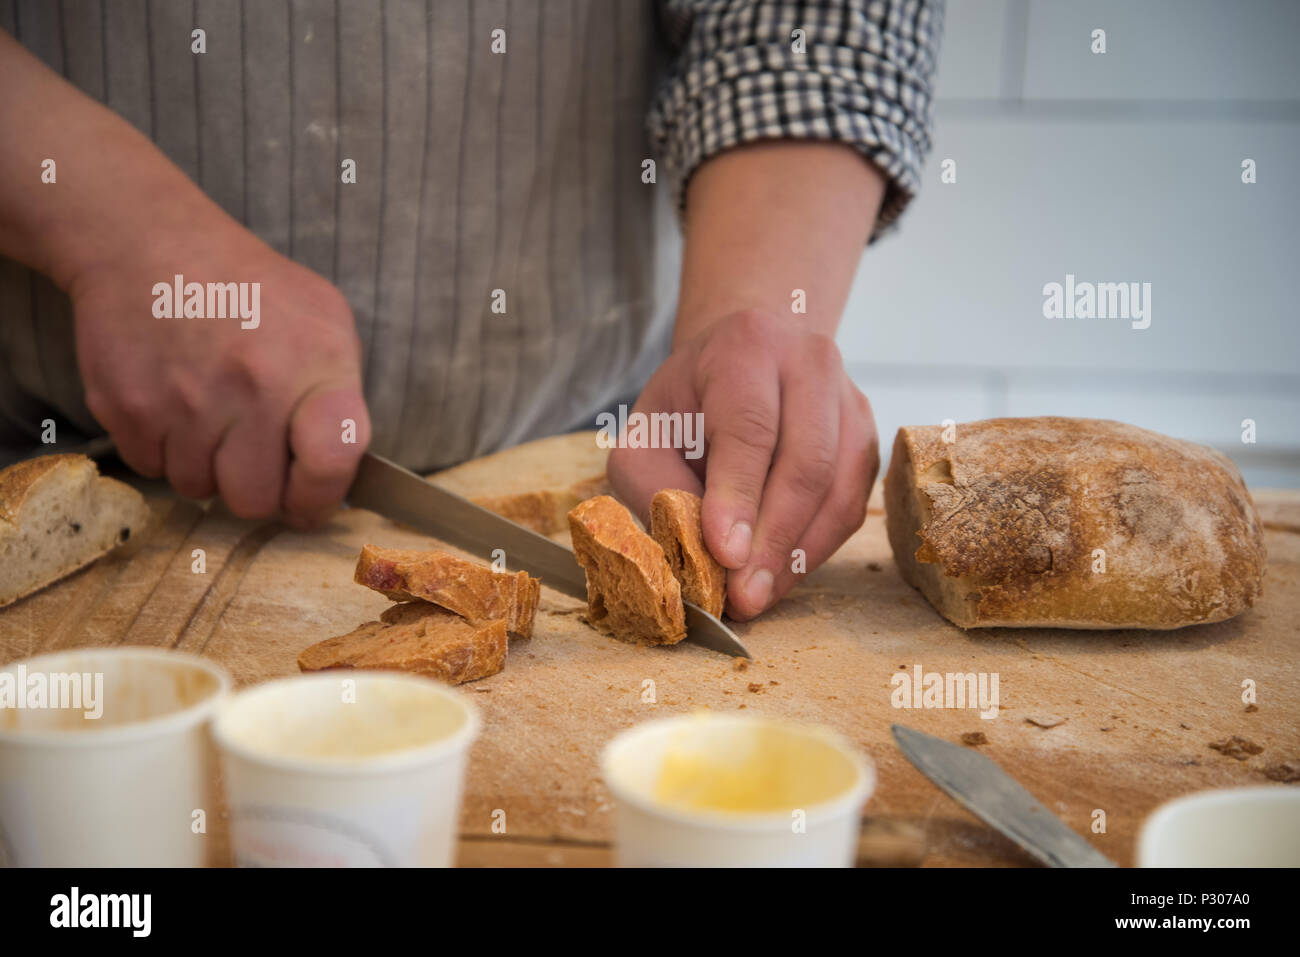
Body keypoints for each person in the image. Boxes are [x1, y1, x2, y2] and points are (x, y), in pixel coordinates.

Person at [0, 1, 940, 620]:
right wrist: (116, 232)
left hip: (606, 453)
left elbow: (814, 24)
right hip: (47, 493)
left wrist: (749, 322)